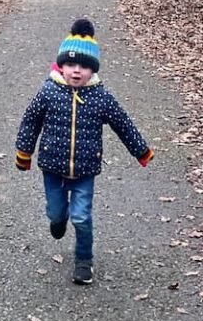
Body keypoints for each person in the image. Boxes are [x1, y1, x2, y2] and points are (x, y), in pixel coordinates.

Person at [14, 18, 153, 285]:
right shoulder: (48, 92)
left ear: (93, 70)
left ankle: (83, 261)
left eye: (84, 66)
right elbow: (30, 121)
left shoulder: (100, 97)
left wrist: (141, 150)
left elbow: (122, 122)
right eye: (70, 64)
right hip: (52, 168)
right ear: (61, 65)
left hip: (86, 170)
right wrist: (24, 152)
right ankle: (58, 219)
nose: (76, 71)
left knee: (82, 217)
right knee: (57, 213)